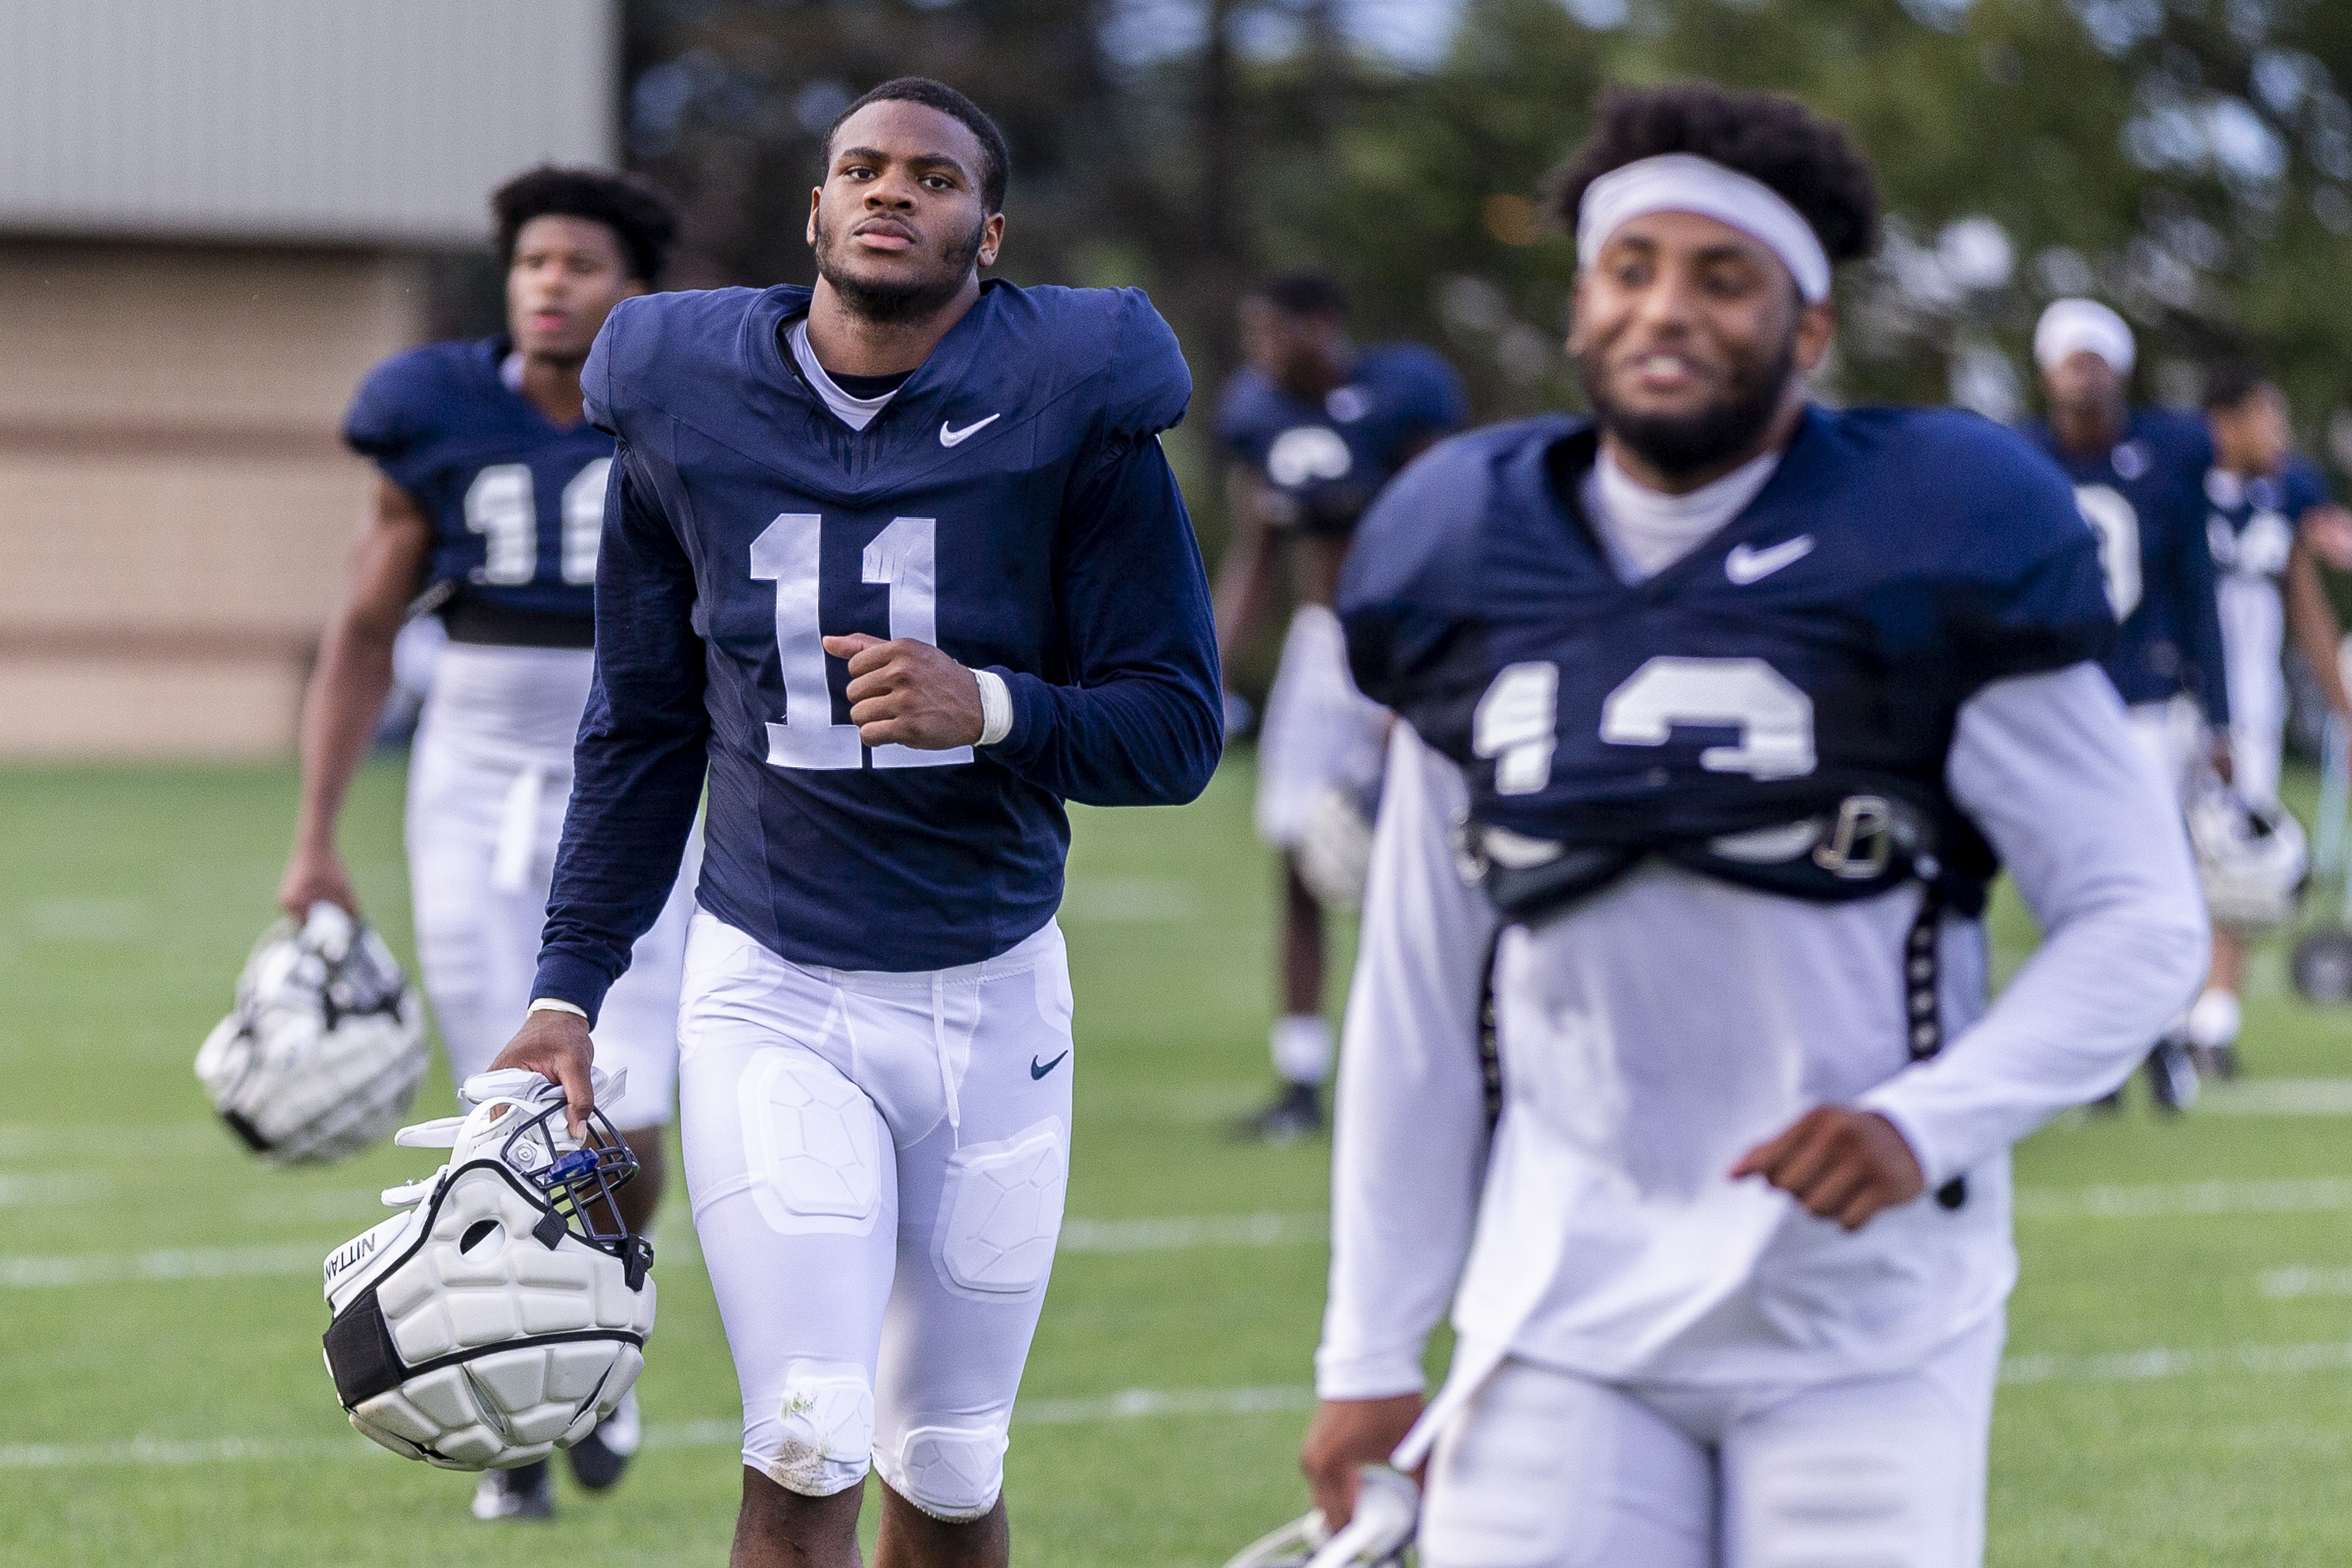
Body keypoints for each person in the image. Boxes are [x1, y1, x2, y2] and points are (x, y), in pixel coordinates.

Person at [1296, 82, 2207, 1568]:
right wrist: (1364, 1347)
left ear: (1807, 327)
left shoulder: (1928, 533)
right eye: (1631, 268)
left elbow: (2142, 917)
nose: (1668, 308)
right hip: (1559, 1306)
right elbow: (1411, 994)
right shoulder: (1463, 550)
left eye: (1721, 277)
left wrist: (1925, 1122)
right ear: (1580, 304)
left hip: (1859, 1311)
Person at [484, 78, 1221, 1568]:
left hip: (990, 989)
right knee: (807, 1431)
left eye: (934, 179)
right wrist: (569, 988)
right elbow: (639, 729)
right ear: (814, 211)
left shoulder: (1079, 405)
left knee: (946, 1467)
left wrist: (997, 709)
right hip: (776, 987)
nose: (893, 193)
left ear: (987, 234)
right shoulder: (681, 397)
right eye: (861, 170)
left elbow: (1178, 731)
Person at [277, 165, 689, 1521]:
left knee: (628, 1092)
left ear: (635, 290)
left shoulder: (684, 407)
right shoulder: (434, 411)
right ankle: (507, 1394)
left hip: (637, 766)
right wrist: (316, 836)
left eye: (580, 262)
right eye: (531, 262)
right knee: (495, 1083)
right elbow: (361, 631)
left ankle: (598, 1331)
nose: (550, 282)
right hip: (472, 760)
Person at [1213, 271, 1468, 1140]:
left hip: (1406, 642)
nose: (1259, 353)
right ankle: (1300, 1081)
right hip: (1321, 651)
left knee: (1432, 865)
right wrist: (1206, 669)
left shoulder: (1405, 395)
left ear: (1322, 327)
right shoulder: (1257, 413)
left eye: (1272, 333)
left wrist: (1422, 668)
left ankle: (1449, 1068)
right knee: (1300, 858)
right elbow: (1258, 550)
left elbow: (1445, 532)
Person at [2028, 297, 2230, 1110]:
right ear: (2046, 372)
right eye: (2071, 359)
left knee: (2154, 870)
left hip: (2146, 696)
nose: (2085, 374)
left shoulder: (2164, 463)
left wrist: (2217, 714)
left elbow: (2198, 592)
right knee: (2068, 875)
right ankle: (2096, 1045)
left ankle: (2167, 1035)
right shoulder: (2018, 459)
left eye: (2096, 358)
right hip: (2052, 696)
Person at [2190, 363, 2349, 1071]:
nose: (2279, 433)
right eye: (2268, 415)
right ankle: (2152, 1023)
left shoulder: (2285, 496)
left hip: (2253, 711)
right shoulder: (2177, 488)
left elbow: (2305, 600)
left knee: (2241, 867)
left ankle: (2212, 1026)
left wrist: (2342, 707)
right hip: (2176, 706)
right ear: (2226, 420)